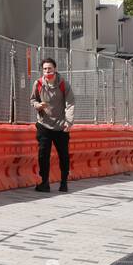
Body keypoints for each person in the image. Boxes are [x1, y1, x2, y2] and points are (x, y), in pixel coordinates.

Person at [31, 58, 74, 193]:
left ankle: (64, 182)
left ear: (55, 69)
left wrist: (69, 122)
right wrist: (38, 105)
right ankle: (44, 183)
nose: (47, 71)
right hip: (44, 125)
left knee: (63, 155)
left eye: (49, 68)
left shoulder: (63, 84)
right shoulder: (38, 83)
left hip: (61, 126)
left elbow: (70, 103)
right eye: (44, 69)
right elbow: (32, 100)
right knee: (43, 154)